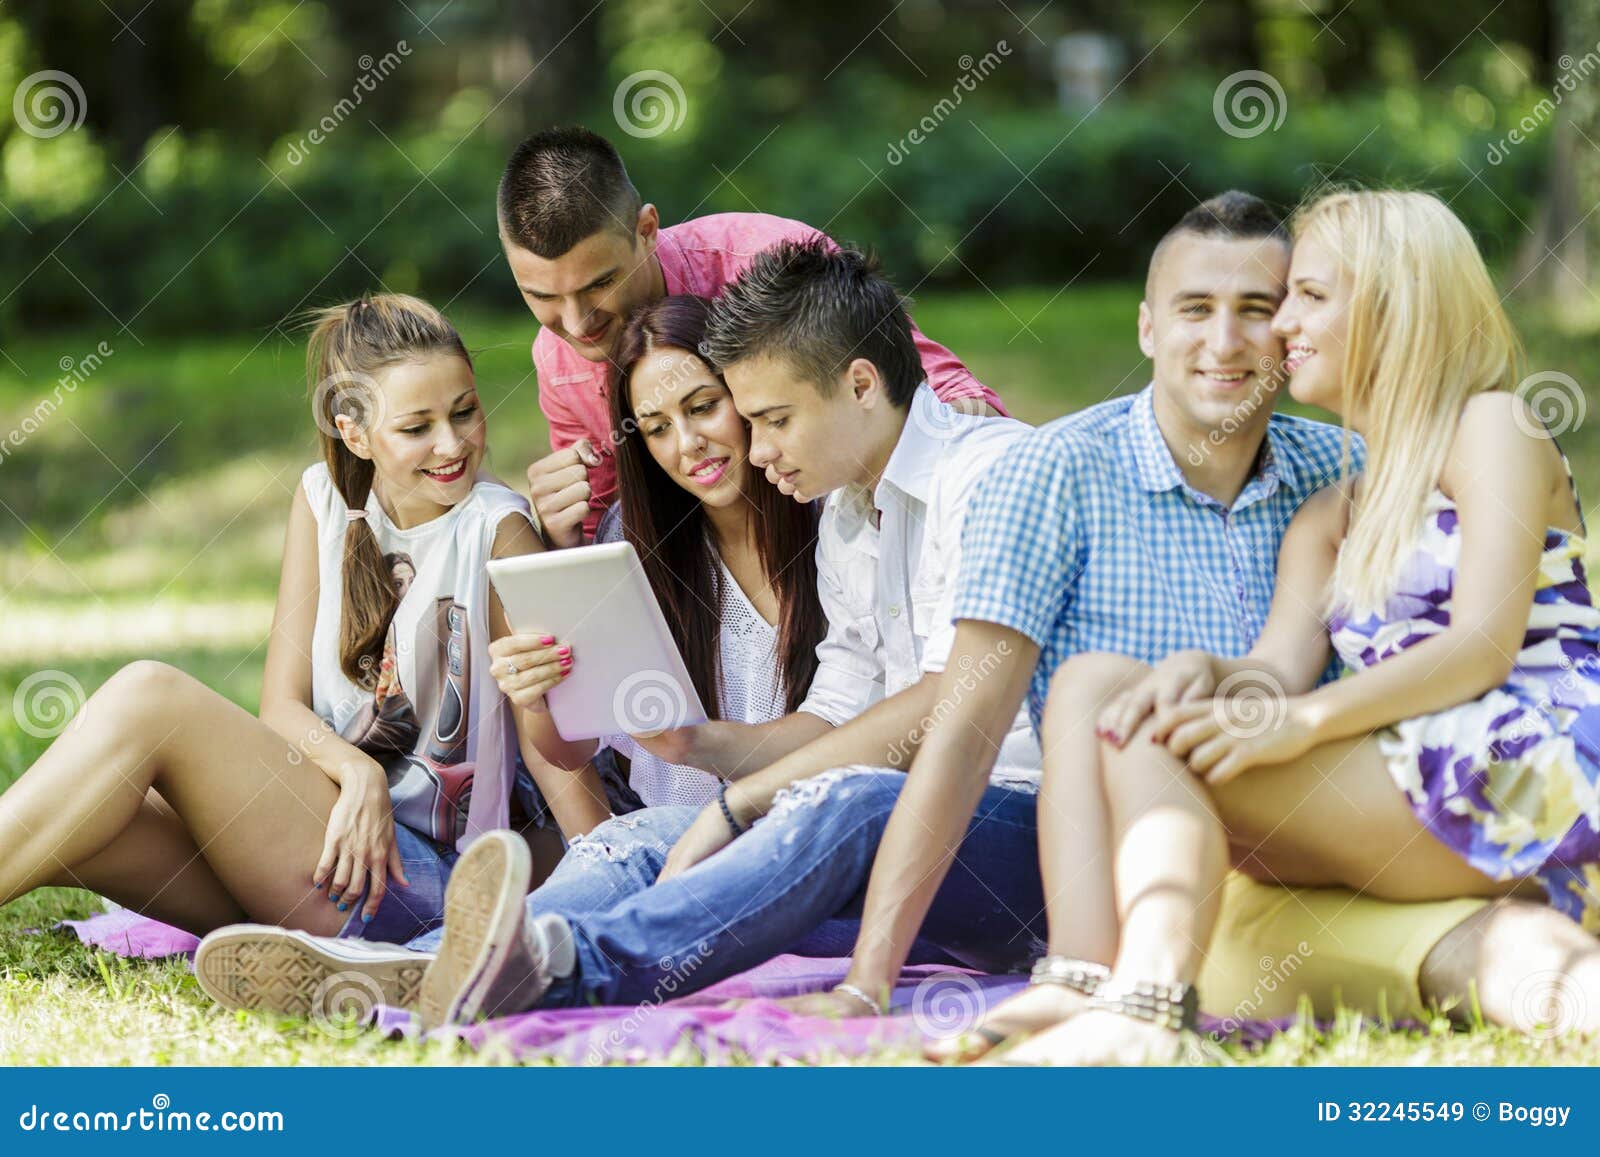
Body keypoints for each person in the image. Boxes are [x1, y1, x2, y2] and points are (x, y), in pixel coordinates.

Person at [988, 189, 1600, 1065]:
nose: (1280, 329)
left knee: (1150, 740)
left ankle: (1148, 1004)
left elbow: (1482, 646)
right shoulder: (1332, 511)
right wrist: (1208, 670)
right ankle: (1081, 977)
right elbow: (1276, 669)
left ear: (1395, 302)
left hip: (1529, 760)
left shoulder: (1489, 425)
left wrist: (1302, 723)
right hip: (1423, 766)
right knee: (1098, 685)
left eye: (1308, 297)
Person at [0, 295, 584, 1018]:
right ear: (355, 431)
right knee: (90, 808)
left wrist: (607, 892)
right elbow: (280, 702)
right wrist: (356, 769)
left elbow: (554, 746)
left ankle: (374, 952)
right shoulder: (322, 499)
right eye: (417, 426)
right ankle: (309, 944)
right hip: (330, 838)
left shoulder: (497, 531)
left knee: (148, 697)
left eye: (464, 412)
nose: (452, 443)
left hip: (427, 880)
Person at [502, 125, 1007, 546]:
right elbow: (606, 530)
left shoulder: (766, 260)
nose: (575, 324)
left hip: (853, 538)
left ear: (647, 228)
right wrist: (560, 533)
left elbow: (941, 398)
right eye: (541, 296)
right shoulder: (556, 361)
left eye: (600, 284)